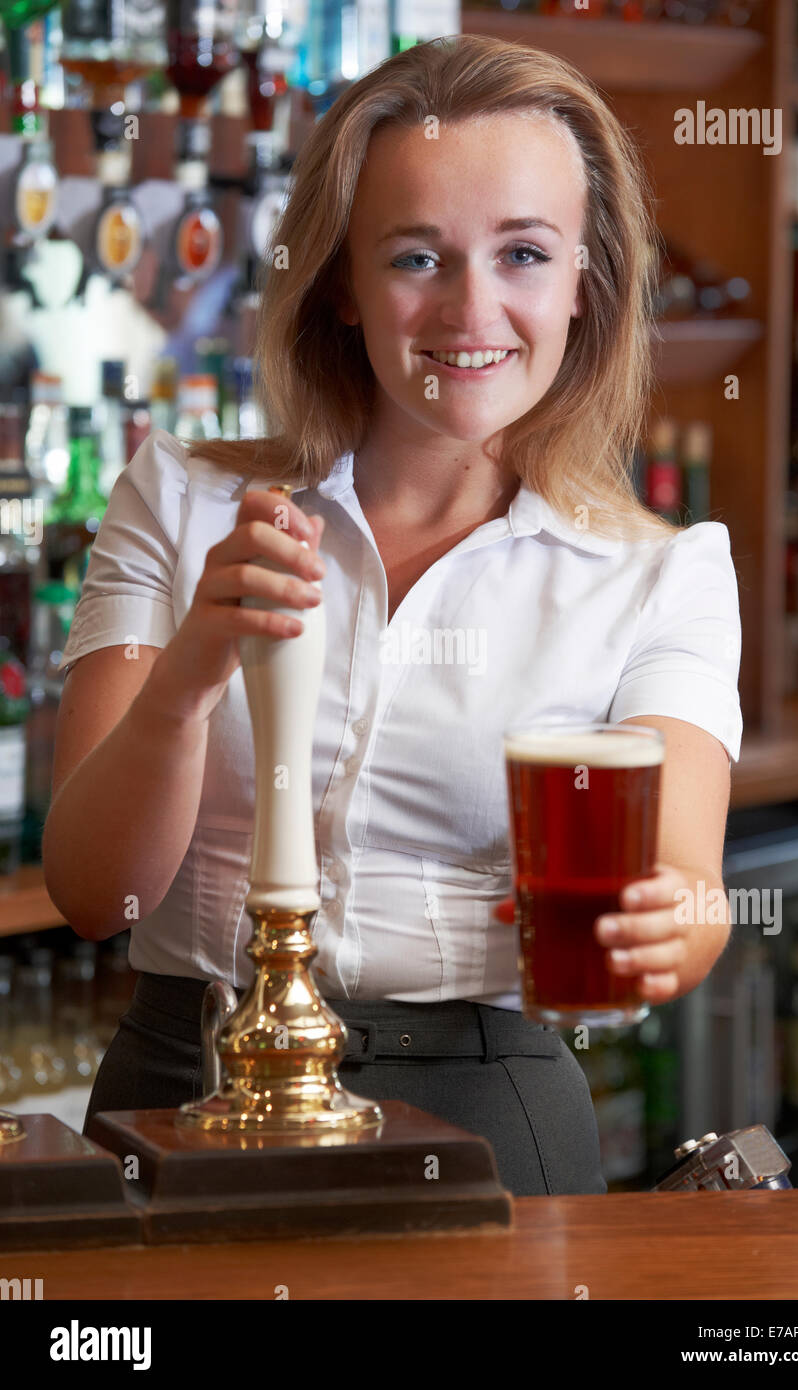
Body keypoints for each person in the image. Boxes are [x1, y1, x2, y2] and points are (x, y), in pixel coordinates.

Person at [43, 34, 742, 1197]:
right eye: (417, 256)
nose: (472, 309)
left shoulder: (656, 575)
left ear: (584, 278)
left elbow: (686, 882)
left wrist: (674, 920)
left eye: (523, 253)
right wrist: (193, 670)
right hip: (185, 1083)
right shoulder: (178, 499)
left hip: (483, 1113)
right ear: (339, 283)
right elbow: (92, 894)